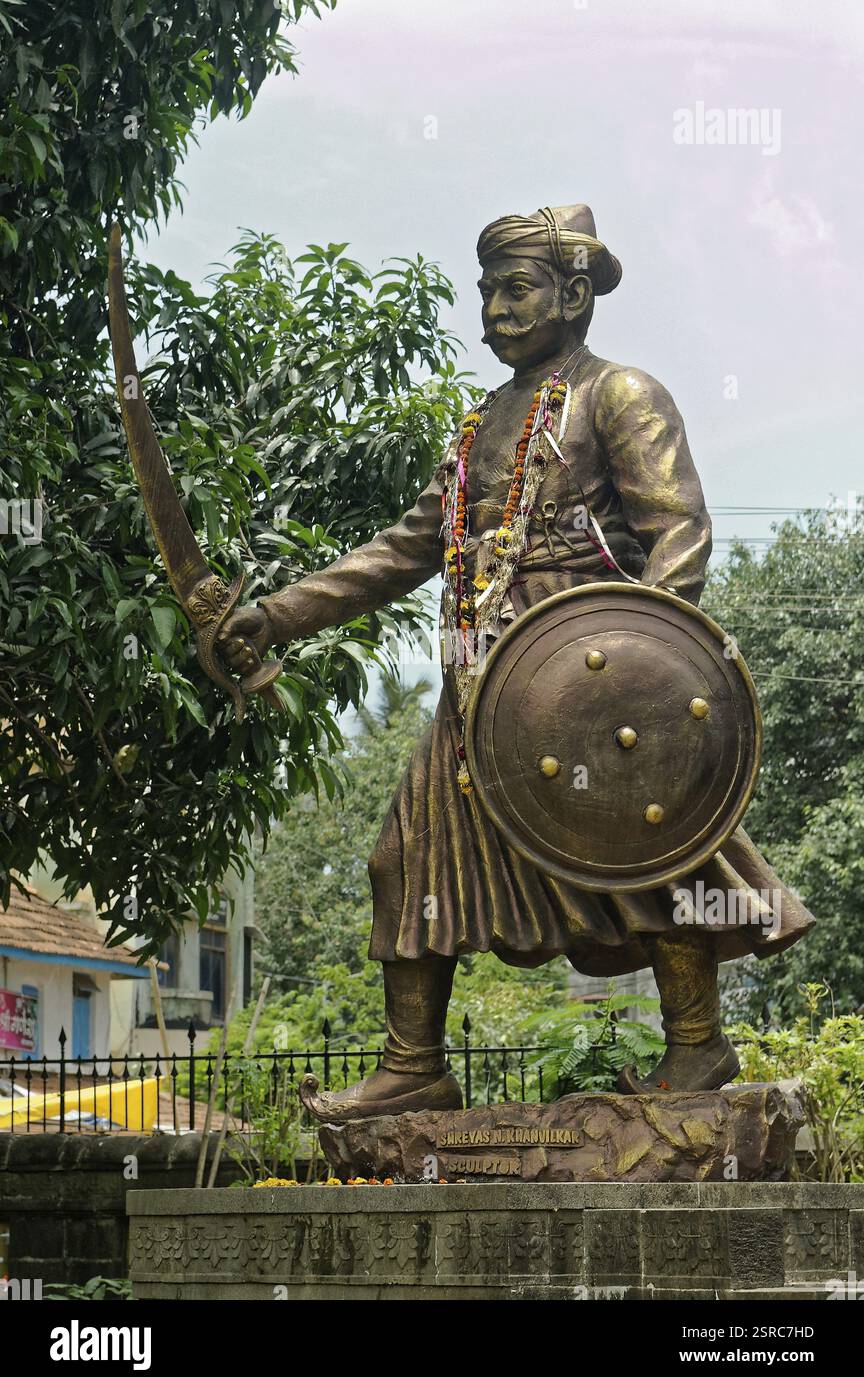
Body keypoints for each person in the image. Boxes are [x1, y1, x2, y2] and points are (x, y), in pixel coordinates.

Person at [218, 205, 813, 1119]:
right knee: (404, 853)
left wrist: (654, 673)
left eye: (518, 288)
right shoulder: (480, 424)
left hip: (594, 665)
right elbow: (403, 549)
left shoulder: (620, 395)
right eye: (487, 289)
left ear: (574, 296)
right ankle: (414, 1064)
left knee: (651, 845)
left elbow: (680, 537)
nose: (495, 308)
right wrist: (277, 615)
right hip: (487, 678)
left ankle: (697, 1045)